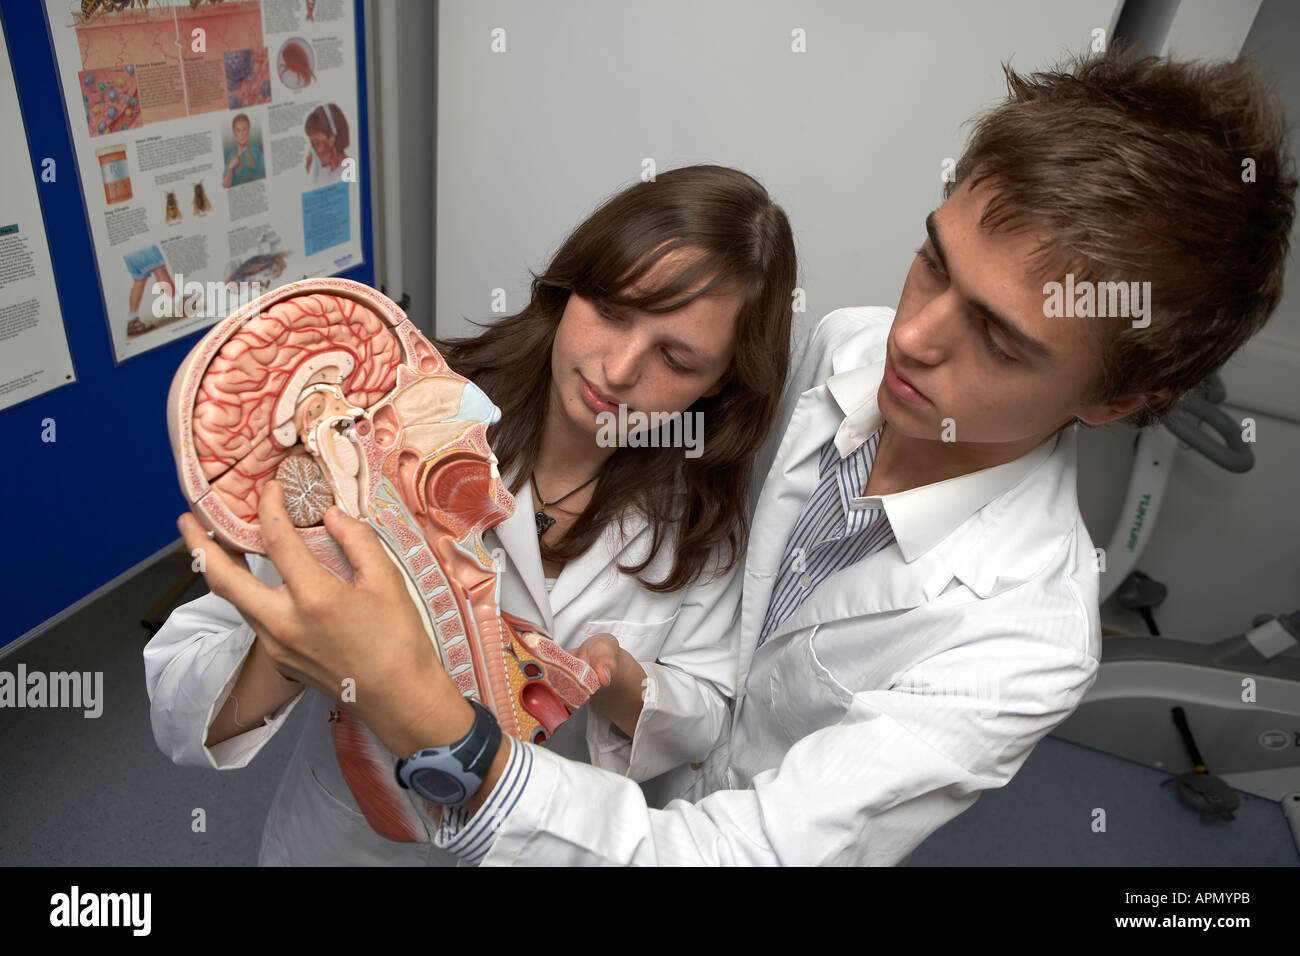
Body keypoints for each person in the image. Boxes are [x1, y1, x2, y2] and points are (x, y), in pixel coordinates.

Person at [181, 48, 1297, 866]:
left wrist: (442, 724)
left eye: (999, 337)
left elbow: (739, 842)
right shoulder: (847, 351)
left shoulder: (1019, 641)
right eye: (930, 260)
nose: (913, 336)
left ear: (1121, 395)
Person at [147, 165, 798, 865]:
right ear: (571, 284)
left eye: (675, 357)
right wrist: (295, 653)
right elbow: (177, 698)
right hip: (351, 842)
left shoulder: (699, 528)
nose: (617, 369)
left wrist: (621, 681)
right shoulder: (390, 420)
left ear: (722, 382)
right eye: (612, 311)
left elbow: (704, 713)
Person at [304, 104, 349, 186]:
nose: (312, 150)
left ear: (331, 140)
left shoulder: (348, 172)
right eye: (311, 144)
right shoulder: (326, 173)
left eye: (316, 143)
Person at [221, 113, 264, 189]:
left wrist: (254, 167)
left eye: (244, 129)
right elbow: (225, 185)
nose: (242, 134)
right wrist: (230, 168)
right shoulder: (230, 157)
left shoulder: (257, 153)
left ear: (249, 130)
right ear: (234, 133)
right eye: (238, 130)